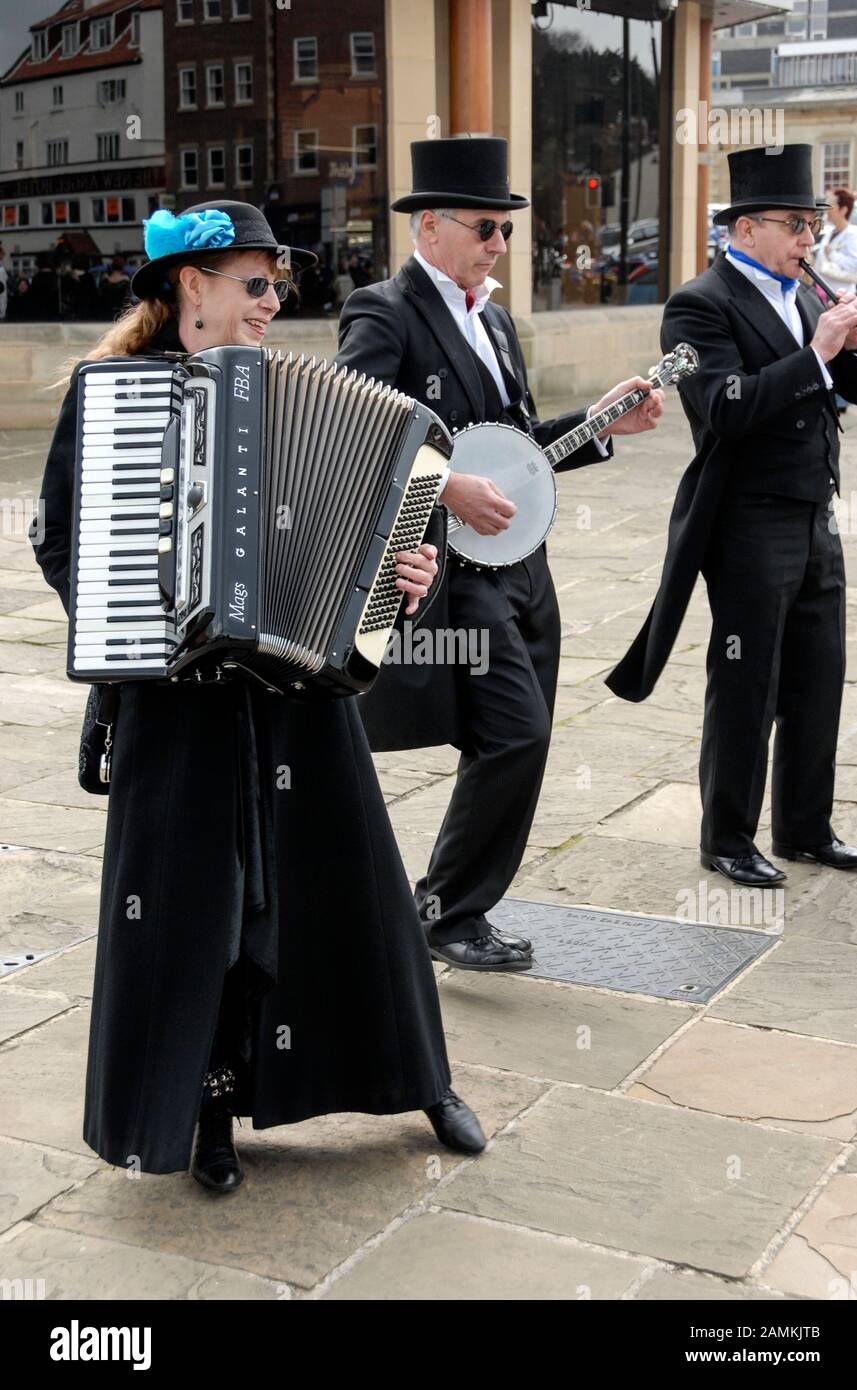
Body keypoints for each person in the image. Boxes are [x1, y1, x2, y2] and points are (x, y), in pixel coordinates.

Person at [30, 199, 485, 1193]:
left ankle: (421, 1077)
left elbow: (392, 519)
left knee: (351, 888)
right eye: (255, 283)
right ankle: (207, 1109)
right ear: (191, 284)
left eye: (278, 285)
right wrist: (124, 605)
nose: (274, 303)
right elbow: (62, 540)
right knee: (198, 912)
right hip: (175, 700)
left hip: (299, 691)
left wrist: (411, 577)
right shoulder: (112, 398)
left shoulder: (290, 386)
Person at [335, 137, 663, 971]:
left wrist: (597, 424)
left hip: (525, 567)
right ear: (432, 226)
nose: (500, 244)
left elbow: (511, 446)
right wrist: (445, 490)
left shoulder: (498, 321)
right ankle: (446, 917)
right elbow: (354, 425)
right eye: (487, 227)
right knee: (514, 735)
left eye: (507, 229)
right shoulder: (384, 311)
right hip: (453, 570)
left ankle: (445, 911)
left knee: (522, 737)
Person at [606, 145, 857, 884]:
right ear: (746, 228)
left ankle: (805, 827)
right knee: (747, 676)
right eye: (795, 224)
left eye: (813, 224)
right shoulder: (699, 305)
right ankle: (727, 838)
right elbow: (724, 409)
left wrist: (850, 339)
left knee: (821, 672)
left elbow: (850, 376)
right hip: (748, 518)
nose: (807, 240)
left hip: (815, 508)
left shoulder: (808, 294)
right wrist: (816, 354)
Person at [813, 187, 857, 415]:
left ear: (843, 208)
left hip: (841, 296)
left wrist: (832, 255)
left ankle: (841, 399)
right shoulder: (830, 232)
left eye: (832, 205)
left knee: (843, 345)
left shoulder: (852, 233)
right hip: (822, 295)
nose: (828, 210)